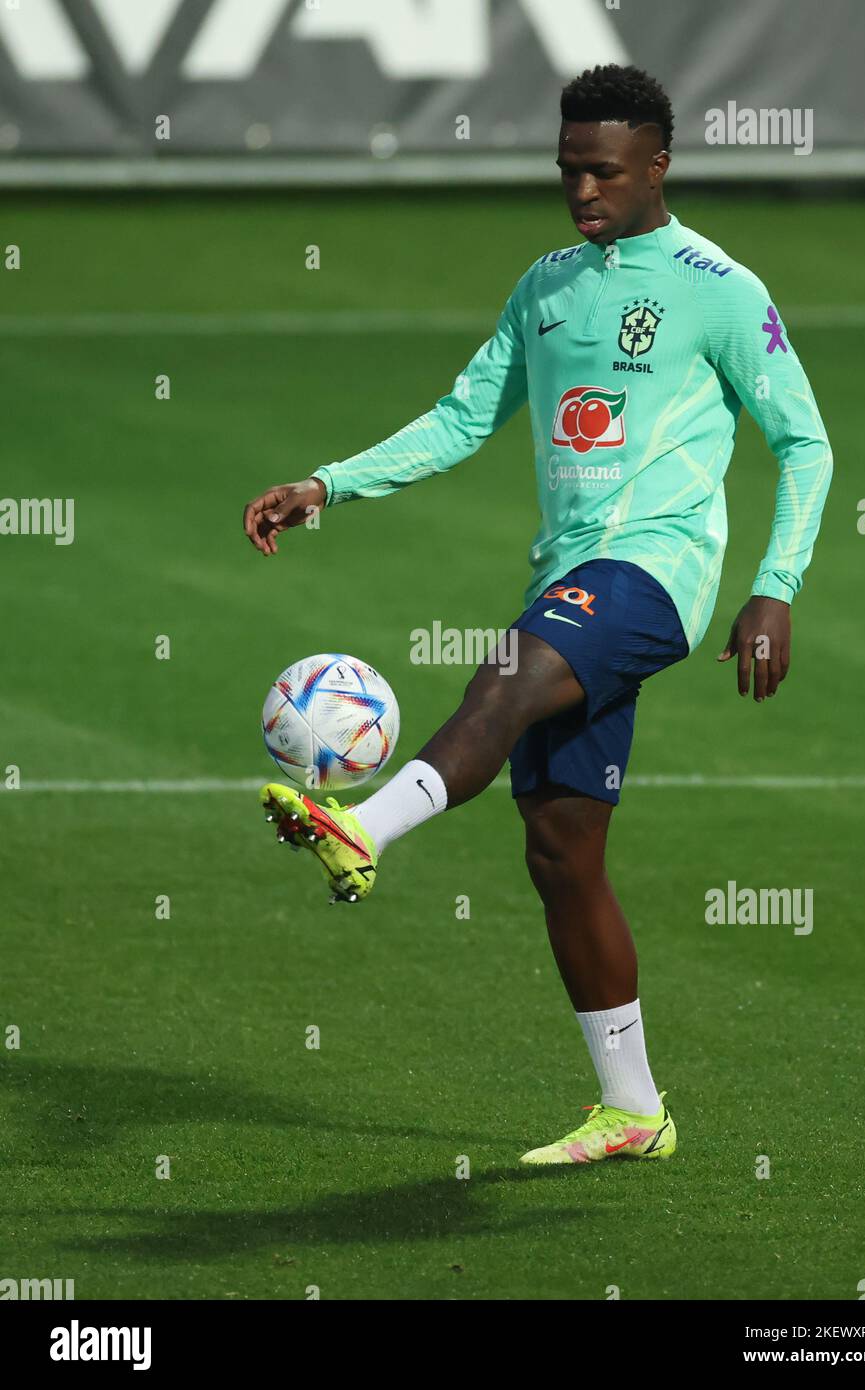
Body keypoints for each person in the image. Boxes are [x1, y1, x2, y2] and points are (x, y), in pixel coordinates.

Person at [243, 65, 833, 1166]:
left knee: (502, 678)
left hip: (653, 574)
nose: (579, 190)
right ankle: (634, 1111)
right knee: (561, 849)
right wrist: (325, 484)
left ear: (657, 167)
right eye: (566, 169)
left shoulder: (718, 286)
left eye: (602, 171)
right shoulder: (547, 285)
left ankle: (360, 828)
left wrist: (775, 585)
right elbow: (462, 417)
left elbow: (804, 440)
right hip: (567, 572)